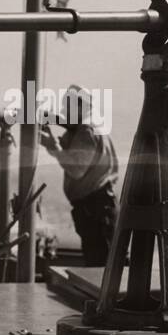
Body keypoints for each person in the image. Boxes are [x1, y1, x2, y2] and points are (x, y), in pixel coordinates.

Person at [39, 85, 119, 266]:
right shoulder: (85, 129)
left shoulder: (86, 130)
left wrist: (53, 147)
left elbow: (76, 169)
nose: (63, 111)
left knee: (100, 267)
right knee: (99, 263)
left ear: (81, 107)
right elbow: (74, 152)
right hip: (96, 208)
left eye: (67, 106)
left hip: (96, 210)